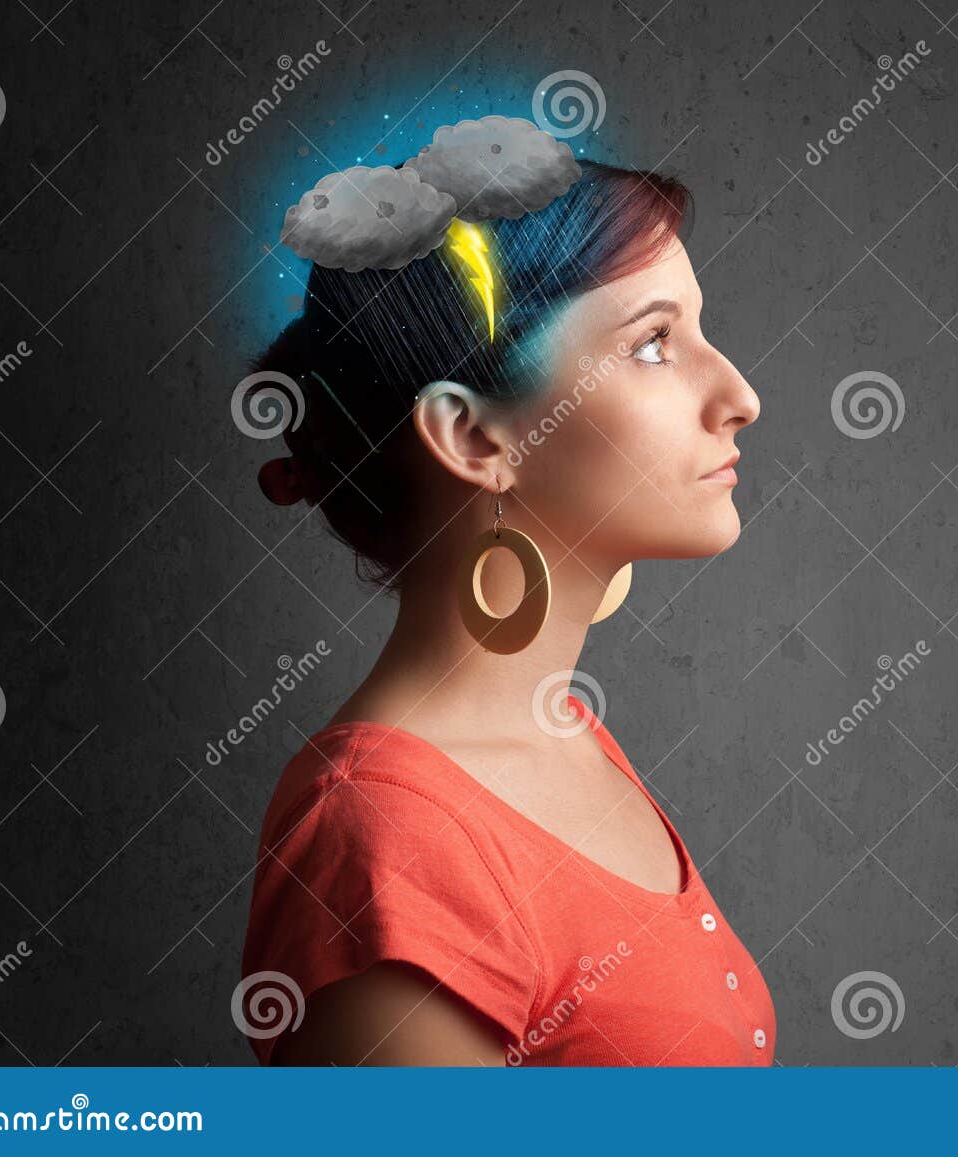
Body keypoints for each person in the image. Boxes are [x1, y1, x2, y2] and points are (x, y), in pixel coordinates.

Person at [238, 127, 770, 1066]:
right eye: (652, 344)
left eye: (697, 330)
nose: (738, 394)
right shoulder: (387, 836)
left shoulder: (567, 734)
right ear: (475, 437)